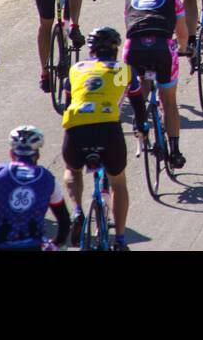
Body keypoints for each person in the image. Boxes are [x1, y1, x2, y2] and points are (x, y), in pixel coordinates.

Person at [62, 27, 140, 251]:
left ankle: (77, 211)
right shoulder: (124, 70)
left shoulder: (76, 69)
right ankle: (121, 239)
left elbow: (68, 105)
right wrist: (142, 127)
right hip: (108, 129)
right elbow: (137, 105)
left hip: (76, 127)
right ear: (115, 50)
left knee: (72, 170)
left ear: (91, 49)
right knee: (118, 182)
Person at [0, 126, 69, 251]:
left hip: (2, 246)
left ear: (11, 153)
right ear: (37, 155)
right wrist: (58, 243)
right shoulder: (48, 179)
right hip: (34, 246)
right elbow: (64, 220)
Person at [122, 0, 187, 169]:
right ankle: (175, 151)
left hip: (133, 49)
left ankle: (139, 120)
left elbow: (130, 26)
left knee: (139, 84)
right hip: (162, 48)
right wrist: (184, 48)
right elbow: (183, 33)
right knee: (169, 102)